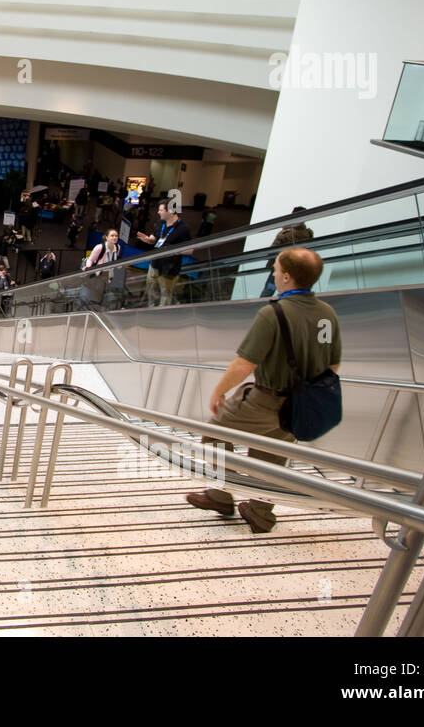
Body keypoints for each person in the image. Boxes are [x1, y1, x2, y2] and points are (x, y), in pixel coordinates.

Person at [186, 247, 342, 534]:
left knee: (215, 432)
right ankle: (260, 513)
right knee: (271, 455)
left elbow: (245, 363)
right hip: (301, 402)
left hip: (266, 397)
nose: (272, 272)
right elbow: (333, 365)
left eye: (276, 268)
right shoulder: (327, 314)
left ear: (286, 276)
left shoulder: (273, 313)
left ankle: (221, 495)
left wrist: (219, 391)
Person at [136, 200, 191, 306]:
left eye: (161, 210)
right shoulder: (160, 223)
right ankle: (152, 310)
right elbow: (154, 239)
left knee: (165, 295)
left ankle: (161, 315)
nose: (158, 212)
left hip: (169, 269)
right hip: (155, 264)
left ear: (170, 211)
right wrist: (147, 239)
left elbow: (190, 250)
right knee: (151, 290)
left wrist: (173, 250)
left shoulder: (183, 229)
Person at [261, 208, 314, 297]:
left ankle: (263, 307)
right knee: (293, 291)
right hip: (297, 269)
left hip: (280, 268)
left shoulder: (285, 233)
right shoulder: (308, 233)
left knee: (268, 290)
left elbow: (271, 252)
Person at [82, 229, 126, 310]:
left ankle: (105, 308)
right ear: (106, 237)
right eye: (112, 236)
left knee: (109, 292)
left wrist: (117, 266)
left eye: (116, 236)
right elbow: (91, 259)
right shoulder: (99, 247)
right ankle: (90, 306)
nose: (115, 237)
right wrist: (88, 267)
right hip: (99, 273)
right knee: (95, 291)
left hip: (110, 274)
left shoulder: (117, 247)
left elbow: (114, 259)